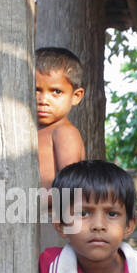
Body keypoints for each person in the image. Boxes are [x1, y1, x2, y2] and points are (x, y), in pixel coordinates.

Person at [35, 47, 86, 189]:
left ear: (76, 96)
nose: (43, 99)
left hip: (50, 210)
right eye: (36, 90)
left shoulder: (64, 132)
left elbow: (70, 189)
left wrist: (28, 203)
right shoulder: (28, 129)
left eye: (56, 92)